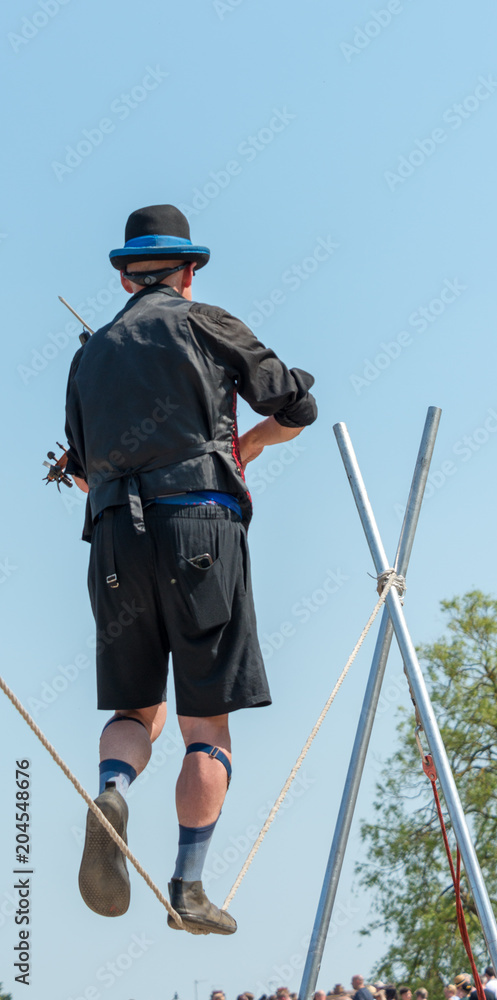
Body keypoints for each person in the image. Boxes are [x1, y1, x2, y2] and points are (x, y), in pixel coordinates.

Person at [67, 204, 317, 935]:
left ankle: (114, 788)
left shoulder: (89, 356)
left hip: (115, 534)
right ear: (189, 269)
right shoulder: (205, 320)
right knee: (204, 723)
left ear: (123, 278)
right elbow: (296, 406)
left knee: (132, 711)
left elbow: (83, 472)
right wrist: (249, 449)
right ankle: (188, 888)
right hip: (199, 527)